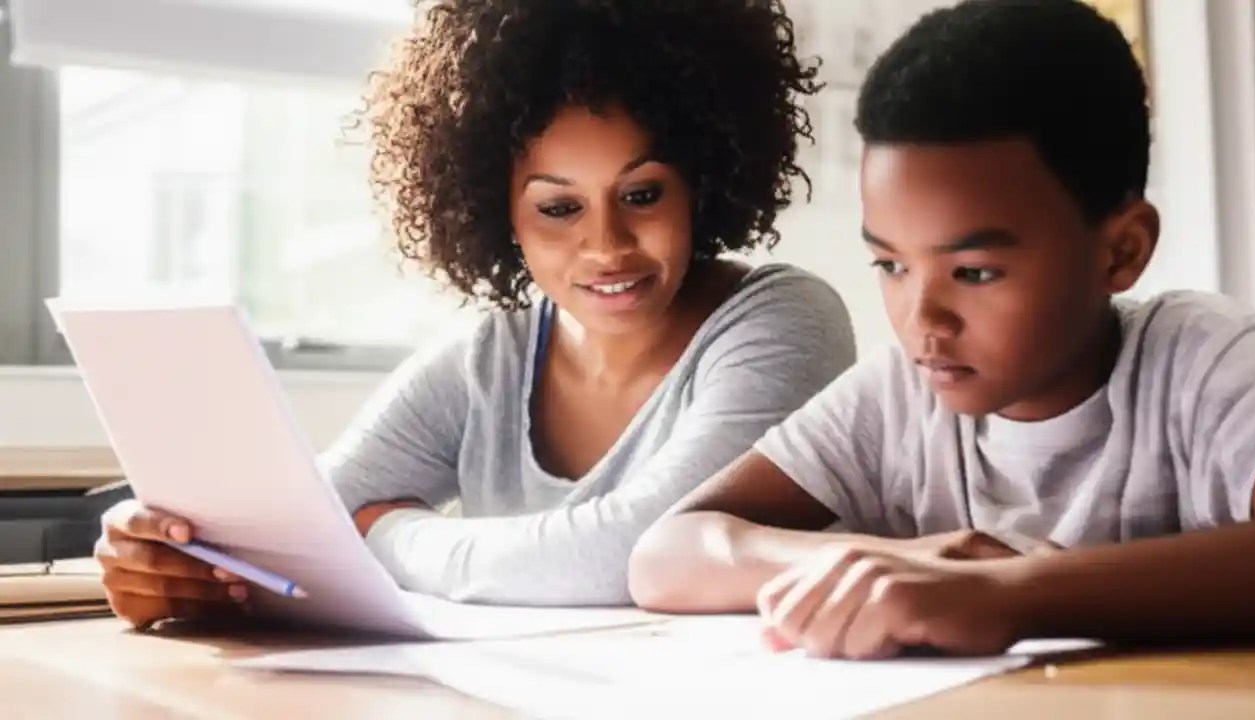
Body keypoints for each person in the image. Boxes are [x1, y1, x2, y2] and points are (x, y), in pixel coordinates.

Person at [93, 0, 855, 628]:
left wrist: (384, 533)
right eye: (558, 207)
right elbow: (298, 530)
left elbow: (636, 554)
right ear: (499, 214)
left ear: (703, 183)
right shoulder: (489, 360)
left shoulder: (784, 323)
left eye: (642, 194)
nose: (606, 245)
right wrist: (170, 554)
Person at [629, 0, 1255, 659]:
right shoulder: (900, 399)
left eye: (974, 272)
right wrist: (901, 561)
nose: (922, 320)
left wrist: (1011, 594)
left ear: (1121, 252)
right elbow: (664, 556)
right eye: (891, 265)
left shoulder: (1203, 360)